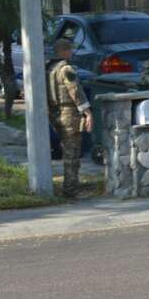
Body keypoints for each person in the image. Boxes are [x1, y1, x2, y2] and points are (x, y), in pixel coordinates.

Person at [47, 38, 93, 198]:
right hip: (69, 114)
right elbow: (76, 91)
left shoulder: (50, 68)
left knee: (67, 150)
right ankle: (71, 188)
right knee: (72, 153)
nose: (71, 52)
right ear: (64, 51)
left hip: (55, 114)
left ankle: (70, 186)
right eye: (69, 50)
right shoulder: (67, 69)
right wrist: (87, 112)